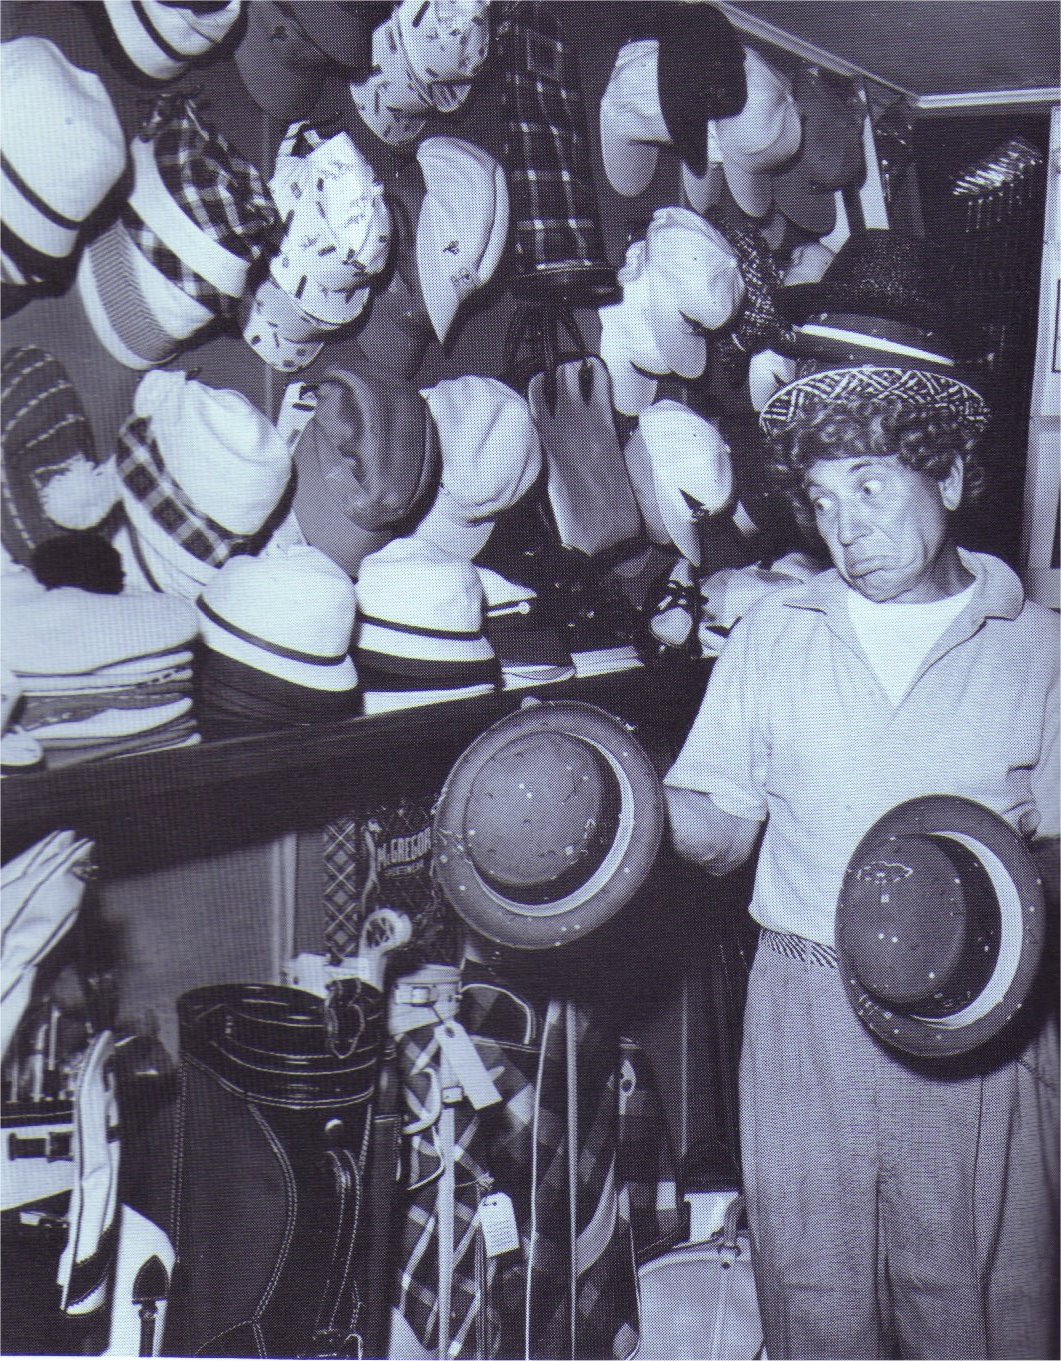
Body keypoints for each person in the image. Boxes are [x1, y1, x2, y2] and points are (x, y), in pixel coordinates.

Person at [663, 238, 1059, 1361]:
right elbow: (719, 832)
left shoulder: (1036, 649)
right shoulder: (773, 636)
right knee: (815, 1310)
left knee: (976, 1310)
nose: (845, 530)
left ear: (948, 476)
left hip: (979, 1018)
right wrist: (629, 809)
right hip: (804, 1012)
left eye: (871, 487)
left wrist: (991, 916)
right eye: (824, 499)